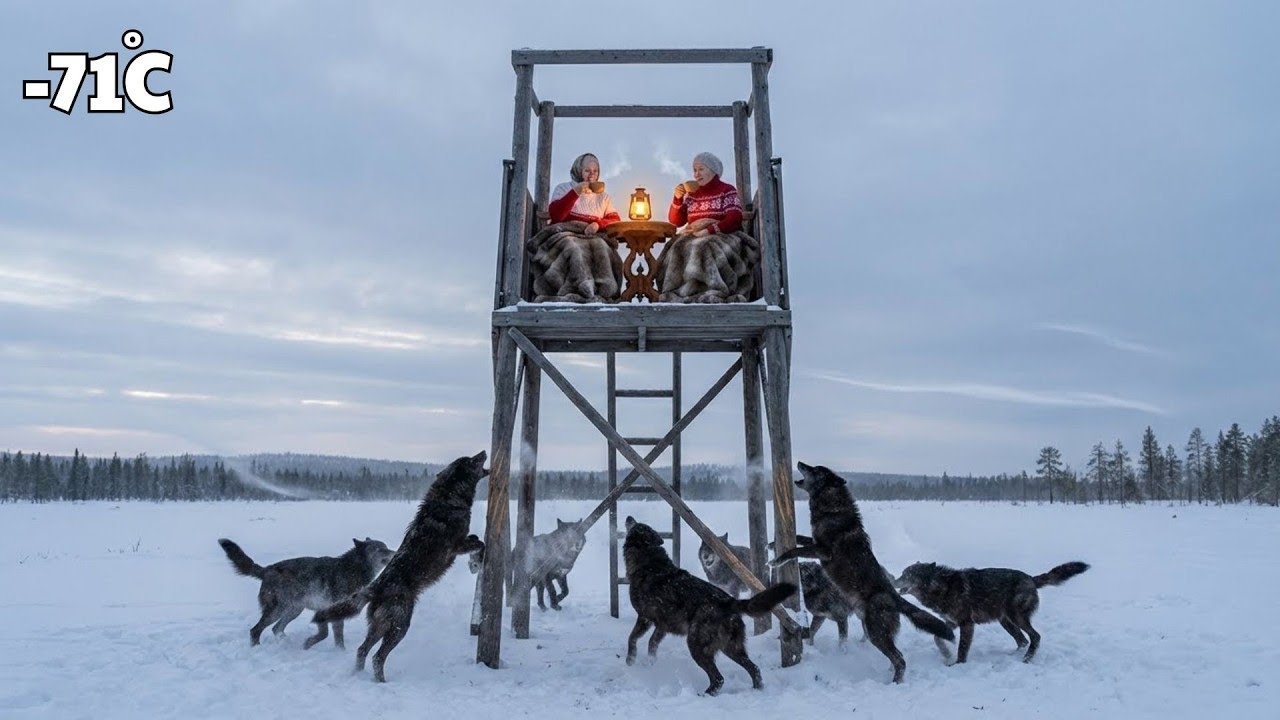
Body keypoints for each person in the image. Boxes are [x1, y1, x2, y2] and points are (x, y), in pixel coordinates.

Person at [668, 152, 744, 236]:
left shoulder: (727, 190)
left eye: (701, 169)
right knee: (674, 247)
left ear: (713, 170)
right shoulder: (692, 194)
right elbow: (676, 222)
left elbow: (734, 219)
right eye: (695, 170)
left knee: (704, 248)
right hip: (692, 236)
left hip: (720, 235)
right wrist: (677, 199)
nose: (697, 174)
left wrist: (709, 231)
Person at [548, 153, 621, 234]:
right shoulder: (563, 188)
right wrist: (576, 191)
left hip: (592, 235)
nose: (592, 174)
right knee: (572, 246)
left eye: (595, 171)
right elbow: (556, 217)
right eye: (587, 170)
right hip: (566, 233)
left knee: (601, 246)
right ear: (578, 171)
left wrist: (598, 225)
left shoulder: (604, 197)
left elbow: (615, 220)